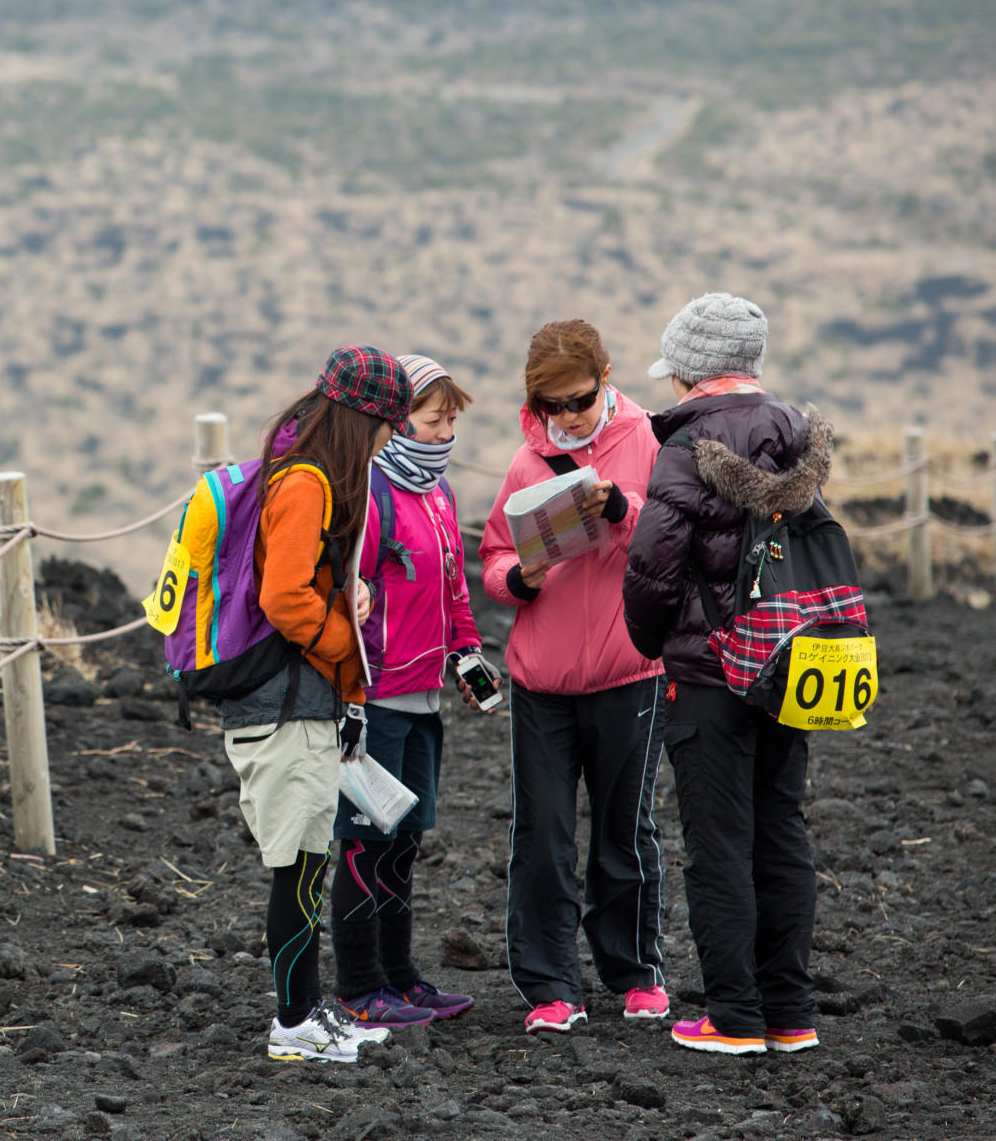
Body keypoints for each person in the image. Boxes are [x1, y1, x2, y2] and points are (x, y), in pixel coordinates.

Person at [622, 293, 826, 1056]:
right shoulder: (799, 438)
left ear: (689, 372)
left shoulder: (687, 444)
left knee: (718, 845)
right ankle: (790, 1013)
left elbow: (652, 567)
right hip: (791, 664)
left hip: (709, 674)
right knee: (781, 831)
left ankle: (734, 1017)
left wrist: (655, 644)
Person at [480, 320, 670, 1035]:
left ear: (607, 378)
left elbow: (674, 541)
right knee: (543, 837)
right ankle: (552, 987)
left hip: (632, 671)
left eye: (580, 400)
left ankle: (636, 974)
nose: (568, 416)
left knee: (625, 831)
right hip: (543, 683)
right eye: (551, 405)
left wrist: (622, 509)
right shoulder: (524, 463)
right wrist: (517, 579)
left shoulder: (650, 441)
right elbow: (493, 557)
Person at [224, 345, 412, 1064]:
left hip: (294, 700)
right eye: (386, 428)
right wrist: (344, 643)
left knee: (306, 864)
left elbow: (299, 578)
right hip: (286, 704)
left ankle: (304, 1013)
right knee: (298, 868)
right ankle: (294, 1024)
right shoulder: (307, 481)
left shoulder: (297, 470)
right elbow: (283, 597)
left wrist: (347, 593)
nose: (387, 443)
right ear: (363, 421)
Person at [329, 355, 496, 1030]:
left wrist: (467, 654)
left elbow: (455, 588)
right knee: (363, 847)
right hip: (375, 703)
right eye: (434, 421)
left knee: (402, 845)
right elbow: (347, 601)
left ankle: (400, 979)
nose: (446, 434)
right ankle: (358, 989)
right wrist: (351, 700)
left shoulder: (439, 493)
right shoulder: (369, 497)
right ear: (397, 421)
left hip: (424, 700)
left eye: (453, 420)